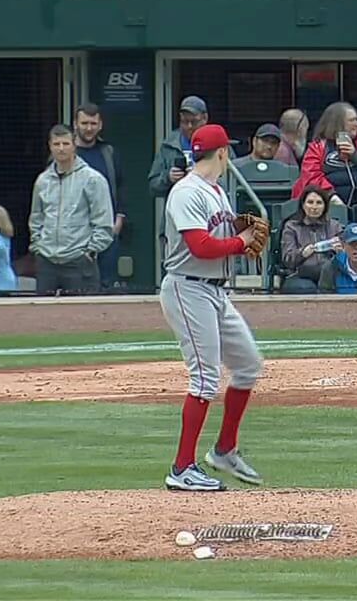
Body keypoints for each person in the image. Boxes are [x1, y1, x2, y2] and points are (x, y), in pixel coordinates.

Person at [157, 123, 266, 492]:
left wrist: (237, 230)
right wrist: (240, 241)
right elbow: (200, 246)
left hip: (216, 293)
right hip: (188, 290)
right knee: (204, 378)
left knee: (248, 365)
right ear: (222, 153)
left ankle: (224, 450)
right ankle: (182, 467)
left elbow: (216, 234)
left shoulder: (216, 191)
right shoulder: (186, 192)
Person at [29, 125, 115, 294]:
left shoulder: (93, 179)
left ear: (74, 144)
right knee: (41, 315)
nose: (61, 149)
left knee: (84, 315)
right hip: (47, 260)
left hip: (79, 261)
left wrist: (90, 251)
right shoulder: (42, 181)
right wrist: (37, 246)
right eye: (57, 144)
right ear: (50, 146)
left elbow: (103, 221)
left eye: (65, 144)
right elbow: (36, 217)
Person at [72, 103, 127, 289]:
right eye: (84, 123)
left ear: (100, 125)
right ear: (75, 124)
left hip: (106, 231)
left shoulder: (108, 152)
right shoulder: (66, 155)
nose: (89, 128)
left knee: (106, 285)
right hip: (75, 234)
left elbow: (120, 186)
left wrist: (119, 217)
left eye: (93, 123)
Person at [291, 101, 357, 206]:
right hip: (327, 203)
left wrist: (355, 155)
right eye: (352, 120)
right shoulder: (318, 147)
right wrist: (330, 195)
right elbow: (311, 176)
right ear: (337, 123)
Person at [279, 186, 344, 294]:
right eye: (310, 202)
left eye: (319, 203)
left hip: (330, 273)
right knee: (305, 288)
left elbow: (348, 259)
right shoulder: (291, 227)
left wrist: (341, 252)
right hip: (300, 274)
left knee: (334, 284)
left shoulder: (334, 226)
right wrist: (302, 253)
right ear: (303, 205)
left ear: (325, 206)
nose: (314, 207)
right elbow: (287, 260)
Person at [148, 95, 210, 200]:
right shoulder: (168, 146)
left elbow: (230, 183)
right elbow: (153, 187)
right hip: (177, 208)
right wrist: (168, 178)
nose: (189, 126)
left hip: (208, 208)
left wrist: (202, 176)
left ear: (205, 118)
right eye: (185, 122)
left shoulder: (217, 145)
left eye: (194, 122)